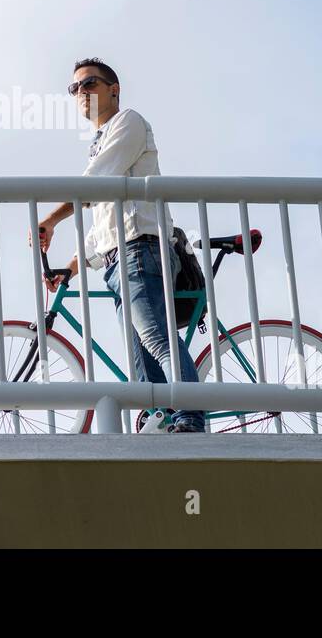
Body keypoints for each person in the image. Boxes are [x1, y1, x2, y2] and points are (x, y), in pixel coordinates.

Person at [33, 57, 205, 433]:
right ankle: (163, 423)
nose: (81, 92)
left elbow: (97, 184)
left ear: (114, 89)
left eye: (90, 83)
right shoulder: (99, 142)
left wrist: (51, 219)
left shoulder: (128, 121)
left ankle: (192, 416)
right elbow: (103, 221)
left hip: (140, 250)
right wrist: (74, 266)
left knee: (154, 336)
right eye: (74, 88)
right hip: (118, 257)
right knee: (141, 358)